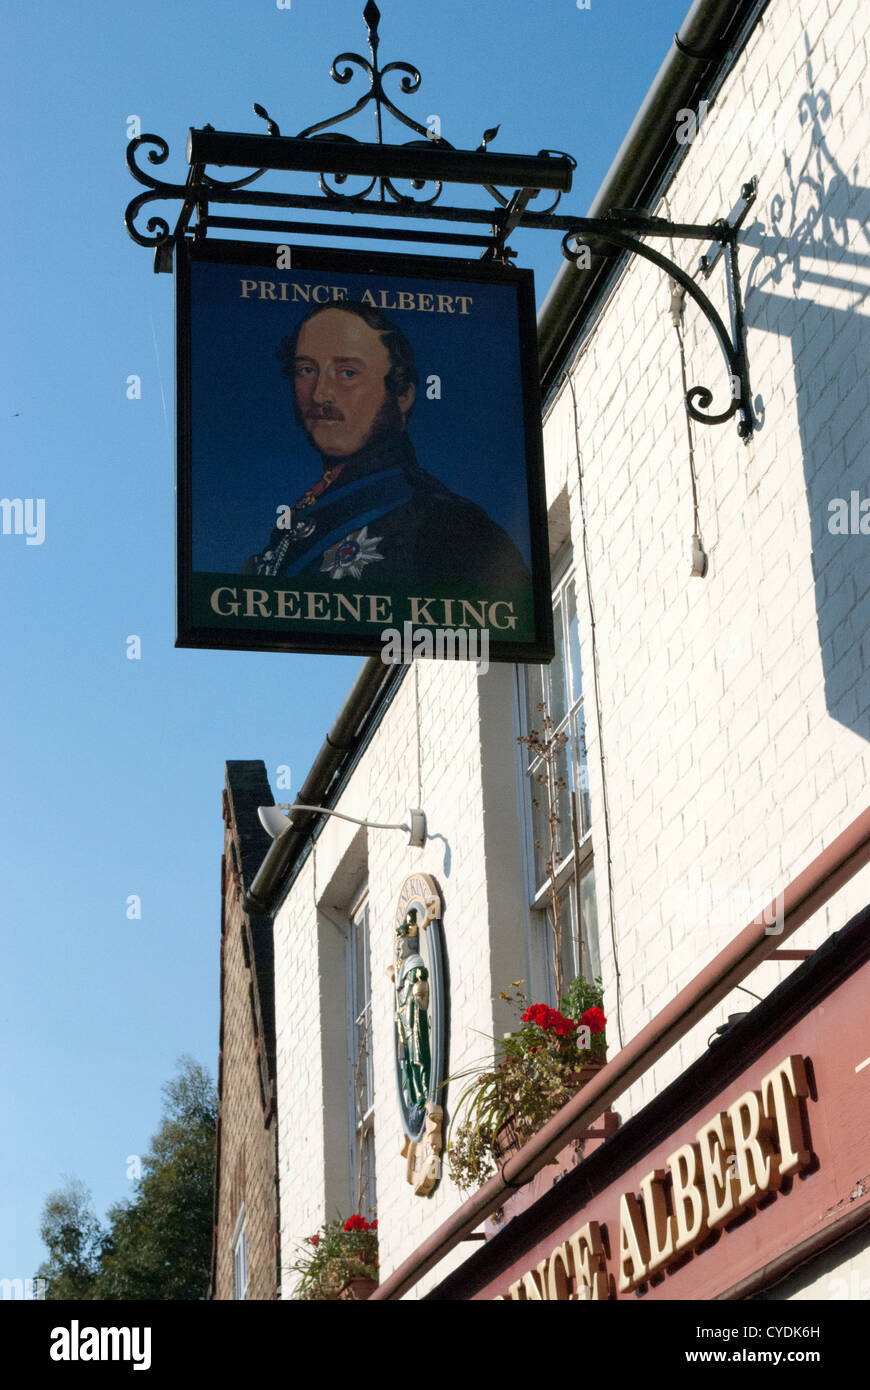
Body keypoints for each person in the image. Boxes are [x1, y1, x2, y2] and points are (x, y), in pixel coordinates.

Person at [242, 301, 531, 588]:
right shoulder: (313, 509)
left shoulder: (449, 524)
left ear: (402, 394)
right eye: (306, 369)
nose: (320, 395)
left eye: (347, 373)